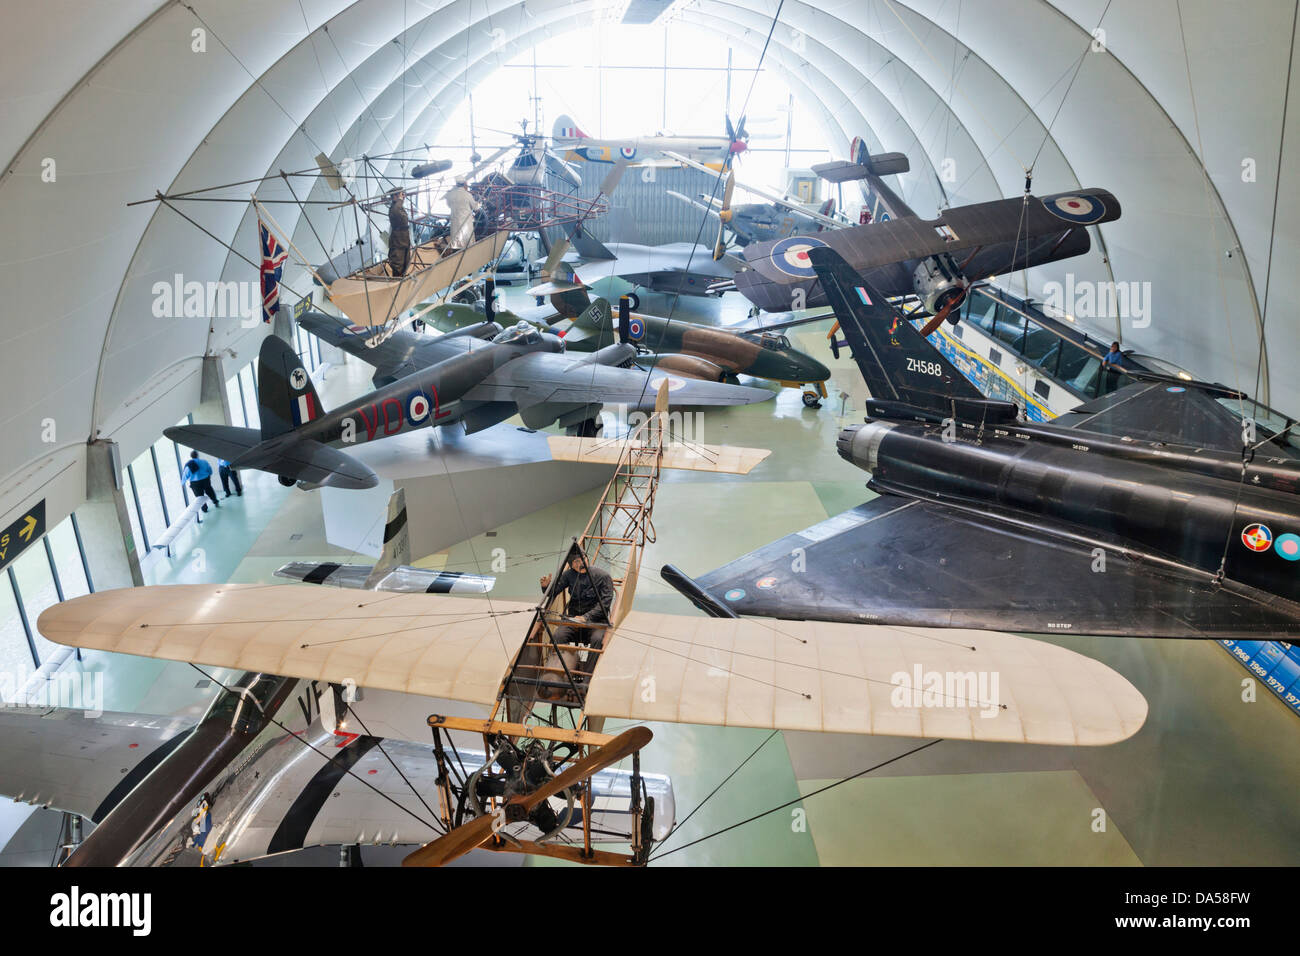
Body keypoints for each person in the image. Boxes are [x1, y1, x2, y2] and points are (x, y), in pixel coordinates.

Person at [540, 552, 614, 675]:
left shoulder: (603, 576)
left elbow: (605, 604)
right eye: (576, 562)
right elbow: (553, 592)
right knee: (558, 635)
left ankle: (588, 675)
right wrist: (546, 587)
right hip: (573, 619)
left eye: (583, 559)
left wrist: (586, 617)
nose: (581, 563)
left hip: (596, 621)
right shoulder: (568, 575)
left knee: (597, 639)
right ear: (571, 565)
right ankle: (558, 673)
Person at [444, 177, 480, 250]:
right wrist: (480, 203)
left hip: (455, 221)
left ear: (456, 184)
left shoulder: (450, 195)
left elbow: (448, 205)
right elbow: (475, 208)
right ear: (464, 184)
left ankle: (455, 251)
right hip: (466, 222)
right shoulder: (467, 195)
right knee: (468, 242)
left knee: (456, 241)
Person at [387, 190, 411, 277]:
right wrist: (400, 200)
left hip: (403, 237)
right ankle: (397, 279)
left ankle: (403, 276)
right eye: (401, 195)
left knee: (406, 259)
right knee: (398, 261)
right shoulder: (395, 208)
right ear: (394, 197)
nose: (403, 197)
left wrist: (400, 200)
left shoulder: (398, 206)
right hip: (398, 239)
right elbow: (397, 211)